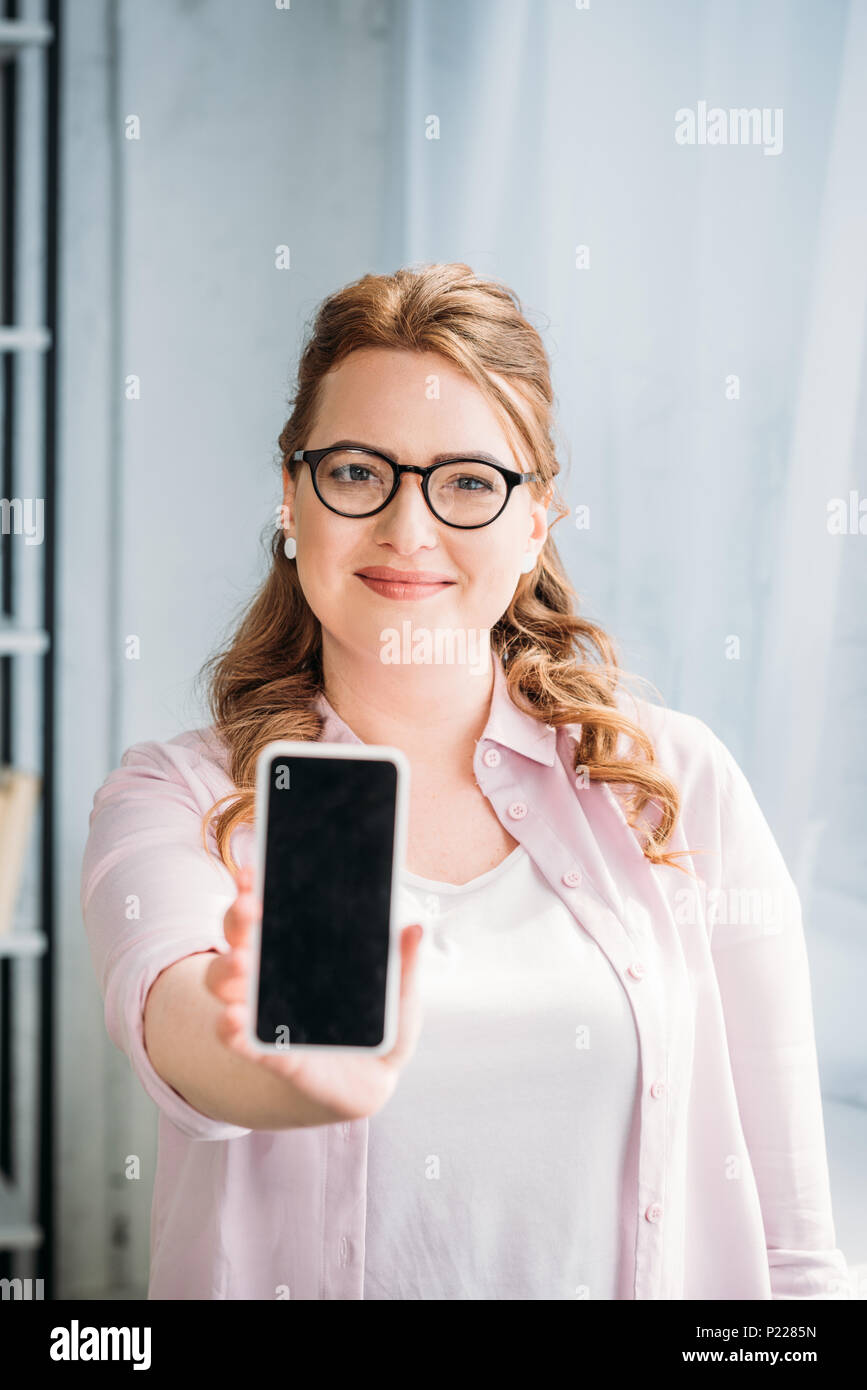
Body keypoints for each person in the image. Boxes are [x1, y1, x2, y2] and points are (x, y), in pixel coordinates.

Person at [81, 262, 849, 1301]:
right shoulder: (178, 798)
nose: (409, 529)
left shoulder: (676, 787)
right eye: (357, 471)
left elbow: (796, 1254)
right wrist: (266, 1063)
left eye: (469, 482)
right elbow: (175, 1031)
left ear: (536, 522)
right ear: (291, 497)